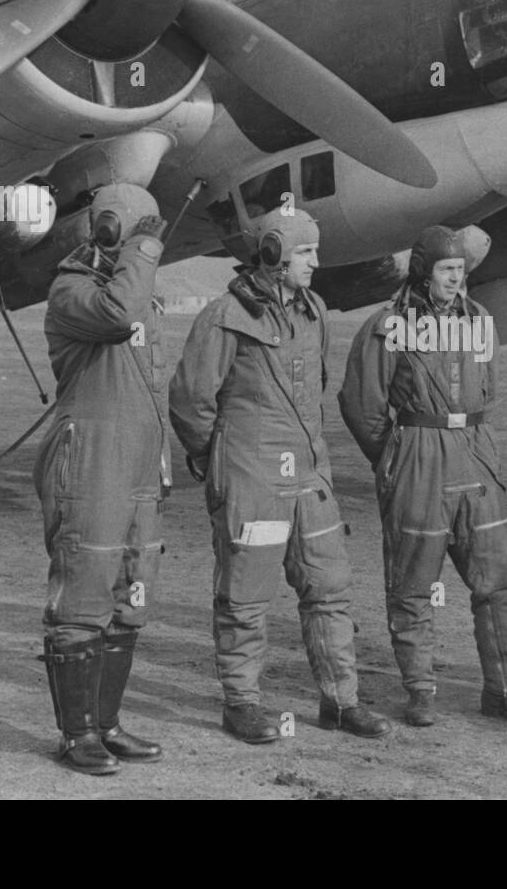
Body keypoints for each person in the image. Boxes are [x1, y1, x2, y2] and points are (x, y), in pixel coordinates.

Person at [169, 208, 391, 744]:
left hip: (309, 478)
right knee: (245, 597)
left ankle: (341, 703)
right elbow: (191, 399)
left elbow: (314, 388)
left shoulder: (314, 310)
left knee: (329, 591)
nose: (317, 262)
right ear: (274, 252)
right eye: (307, 253)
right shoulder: (224, 315)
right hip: (253, 478)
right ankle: (241, 704)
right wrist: (216, 459)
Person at [339, 226, 507, 727]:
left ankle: (504, 691)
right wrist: (396, 455)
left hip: (476, 451)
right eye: (445, 271)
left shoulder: (479, 321)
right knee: (413, 583)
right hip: (418, 452)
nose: (455, 279)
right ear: (423, 272)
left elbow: (490, 385)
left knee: (499, 581)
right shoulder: (388, 325)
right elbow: (361, 403)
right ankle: (420, 691)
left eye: (460, 270)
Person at [33, 183, 171, 776]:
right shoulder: (72, 290)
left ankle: (108, 724)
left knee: (130, 594)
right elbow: (117, 315)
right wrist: (141, 249)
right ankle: (76, 734)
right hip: (89, 460)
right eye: (142, 229)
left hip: (138, 464)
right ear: (112, 229)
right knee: (84, 592)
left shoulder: (142, 296)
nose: (152, 242)